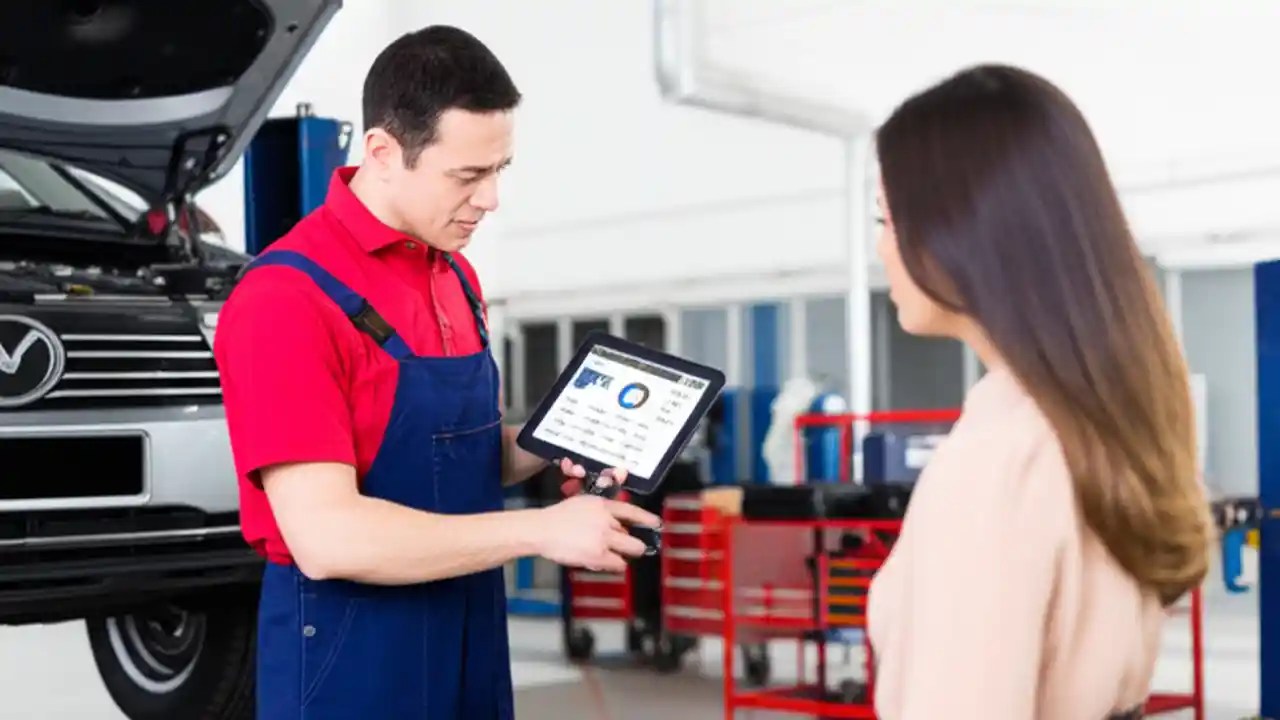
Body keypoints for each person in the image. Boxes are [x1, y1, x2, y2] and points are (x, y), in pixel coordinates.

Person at [212, 25, 661, 719]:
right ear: (383, 153)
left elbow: (460, 456)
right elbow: (327, 537)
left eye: (500, 170)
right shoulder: (285, 299)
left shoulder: (456, 275)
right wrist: (542, 531)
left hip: (467, 624)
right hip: (350, 651)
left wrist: (556, 438)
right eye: (468, 176)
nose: (491, 200)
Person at [865, 64, 1214, 720]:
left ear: (962, 233)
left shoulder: (998, 458)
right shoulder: (1103, 419)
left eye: (887, 219)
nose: (881, 248)